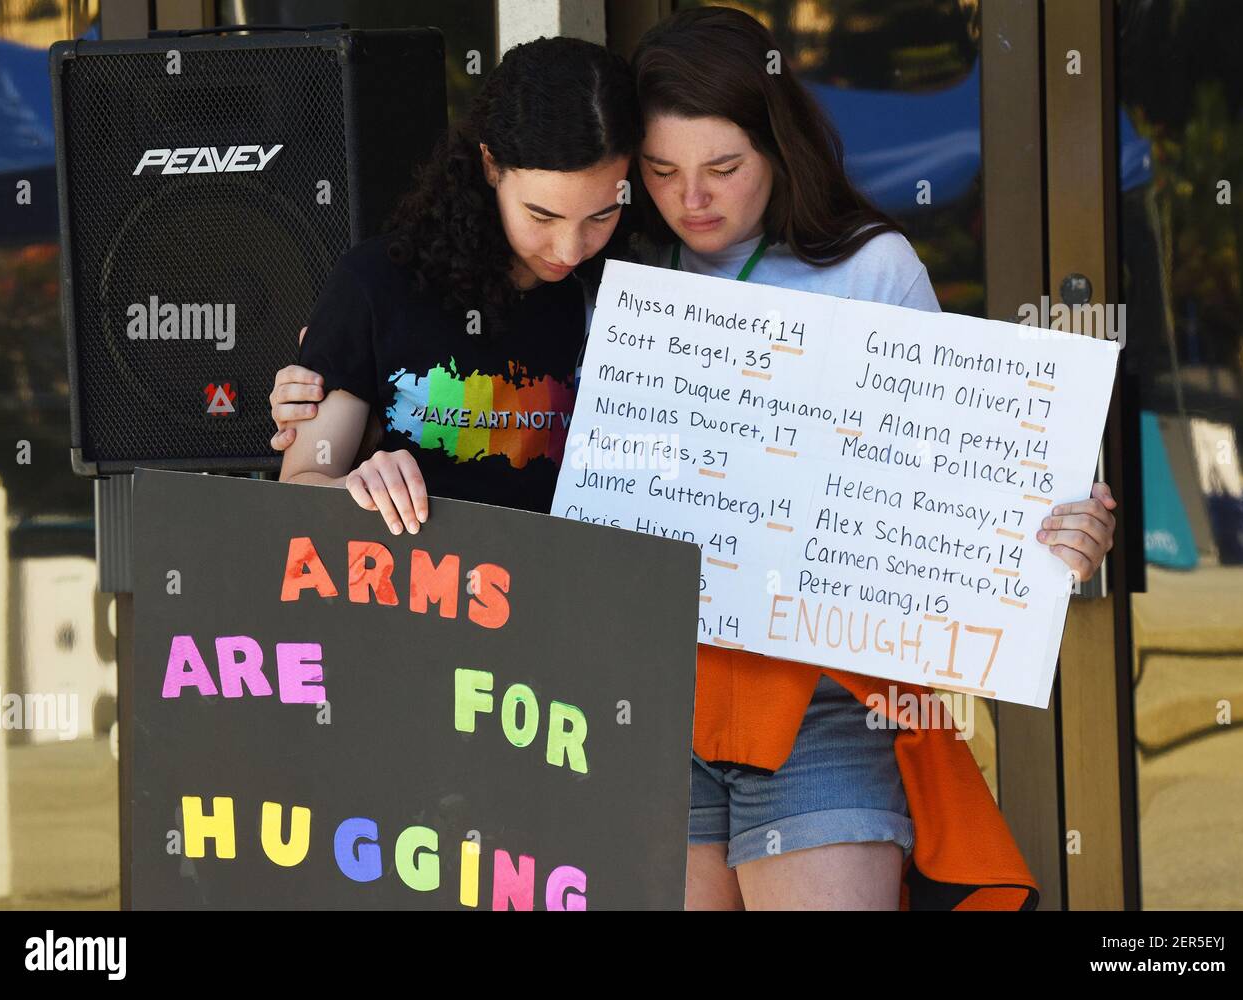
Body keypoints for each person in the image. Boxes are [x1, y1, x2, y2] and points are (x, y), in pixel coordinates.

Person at [272, 7, 1118, 911]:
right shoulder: (601, 271)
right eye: (663, 174)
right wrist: (323, 433)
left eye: (723, 168)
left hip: (808, 694)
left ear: (777, 147)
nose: (692, 199)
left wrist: (1044, 529)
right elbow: (317, 469)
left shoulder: (844, 269)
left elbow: (941, 480)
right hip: (612, 692)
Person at [276, 35, 639, 528]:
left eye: (601, 216)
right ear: (490, 165)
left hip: (572, 593)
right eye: (541, 215)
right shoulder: (376, 285)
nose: (569, 250)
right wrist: (355, 486)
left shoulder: (629, 295)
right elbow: (298, 492)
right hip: (409, 593)